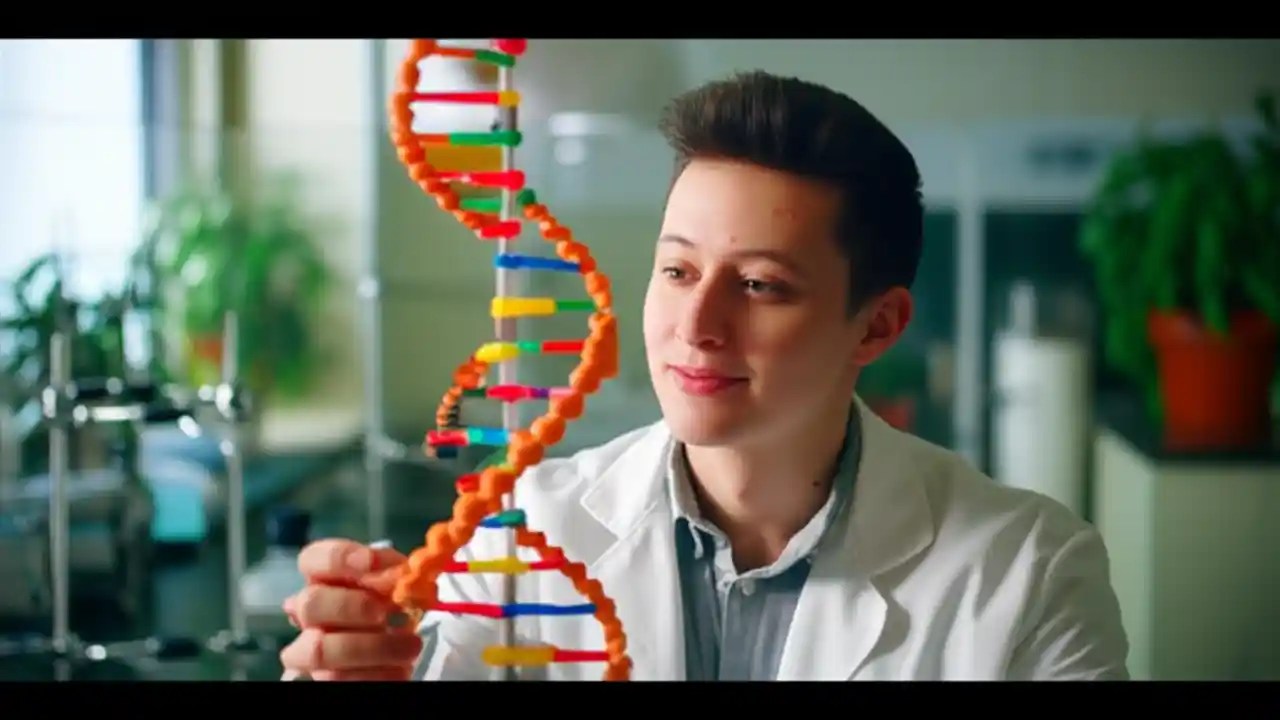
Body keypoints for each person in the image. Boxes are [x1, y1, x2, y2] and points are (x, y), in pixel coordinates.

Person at [279, 70, 1130, 681]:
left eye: (759, 286)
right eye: (678, 271)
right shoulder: (528, 535)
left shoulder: (1029, 573)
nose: (696, 327)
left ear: (877, 325)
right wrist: (354, 664)